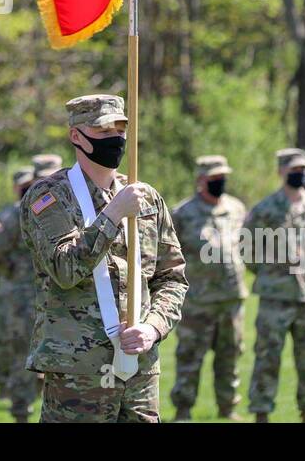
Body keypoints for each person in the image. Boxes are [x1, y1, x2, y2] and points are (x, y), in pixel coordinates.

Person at [20, 95, 188, 423]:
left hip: (139, 372)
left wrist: (153, 327)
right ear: (76, 136)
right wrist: (112, 215)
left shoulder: (147, 198)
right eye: (102, 130)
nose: (115, 138)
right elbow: (64, 269)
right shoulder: (49, 197)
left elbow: (172, 277)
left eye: (120, 128)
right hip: (78, 374)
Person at [243, 150, 305, 422]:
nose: (301, 173)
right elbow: (247, 247)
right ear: (281, 172)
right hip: (274, 297)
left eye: (304, 168)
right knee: (266, 358)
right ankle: (261, 413)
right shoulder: (264, 210)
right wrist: (268, 272)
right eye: (294, 169)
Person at [170, 155, 248, 421]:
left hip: (231, 299)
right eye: (215, 178)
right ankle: (183, 409)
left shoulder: (237, 208)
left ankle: (228, 408)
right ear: (201, 180)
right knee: (190, 357)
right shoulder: (182, 214)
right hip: (197, 300)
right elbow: (168, 256)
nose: (220, 181)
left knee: (230, 355)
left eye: (223, 177)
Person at [0, 165, 41, 421]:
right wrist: (14, 274)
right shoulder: (15, 215)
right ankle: (20, 409)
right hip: (22, 297)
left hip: (57, 298)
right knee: (21, 352)